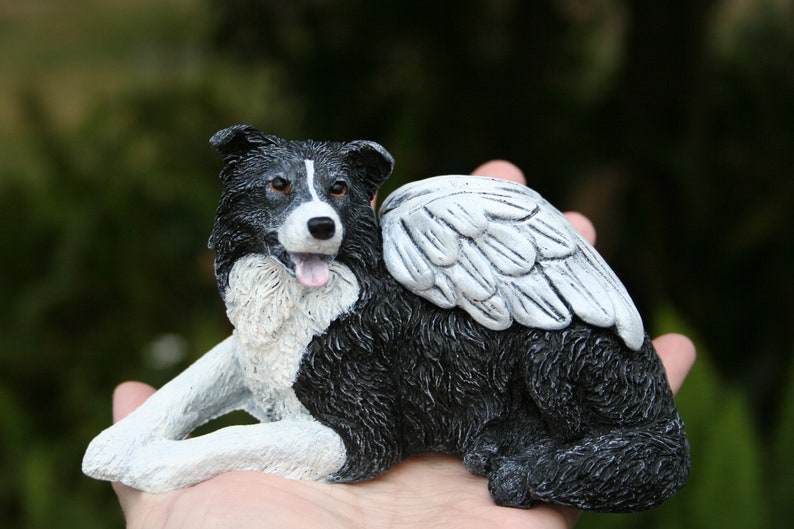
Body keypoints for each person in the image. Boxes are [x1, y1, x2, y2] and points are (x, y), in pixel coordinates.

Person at [109, 161, 697, 529]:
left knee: (552, 355)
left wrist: (195, 456)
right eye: (281, 188)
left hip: (554, 382)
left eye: (335, 194)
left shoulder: (359, 316)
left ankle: (548, 441)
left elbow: (359, 444)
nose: (316, 215)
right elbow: (247, 352)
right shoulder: (289, 305)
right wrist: (139, 438)